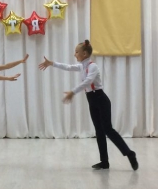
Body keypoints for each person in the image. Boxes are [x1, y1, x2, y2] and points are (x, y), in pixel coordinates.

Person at [39, 39, 138, 171]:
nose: (74, 54)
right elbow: (68, 67)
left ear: (84, 53)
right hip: (91, 100)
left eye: (76, 52)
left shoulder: (93, 67)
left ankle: (130, 153)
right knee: (99, 131)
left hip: (101, 99)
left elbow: (88, 81)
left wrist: (73, 92)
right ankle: (104, 162)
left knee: (108, 129)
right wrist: (52, 63)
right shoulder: (82, 66)